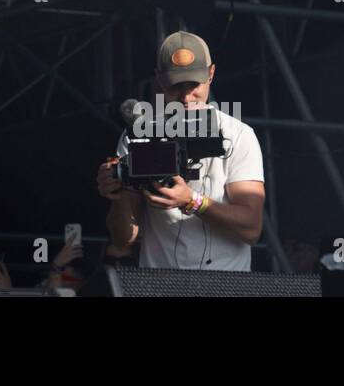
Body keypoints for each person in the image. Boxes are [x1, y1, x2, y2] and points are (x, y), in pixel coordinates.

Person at [97, 31, 265, 270]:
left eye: (194, 84)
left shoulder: (238, 135)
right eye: (176, 85)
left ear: (211, 74)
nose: (186, 96)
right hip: (161, 285)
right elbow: (124, 239)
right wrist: (118, 194)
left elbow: (252, 228)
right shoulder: (137, 135)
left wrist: (192, 201)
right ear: (159, 80)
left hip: (226, 285)